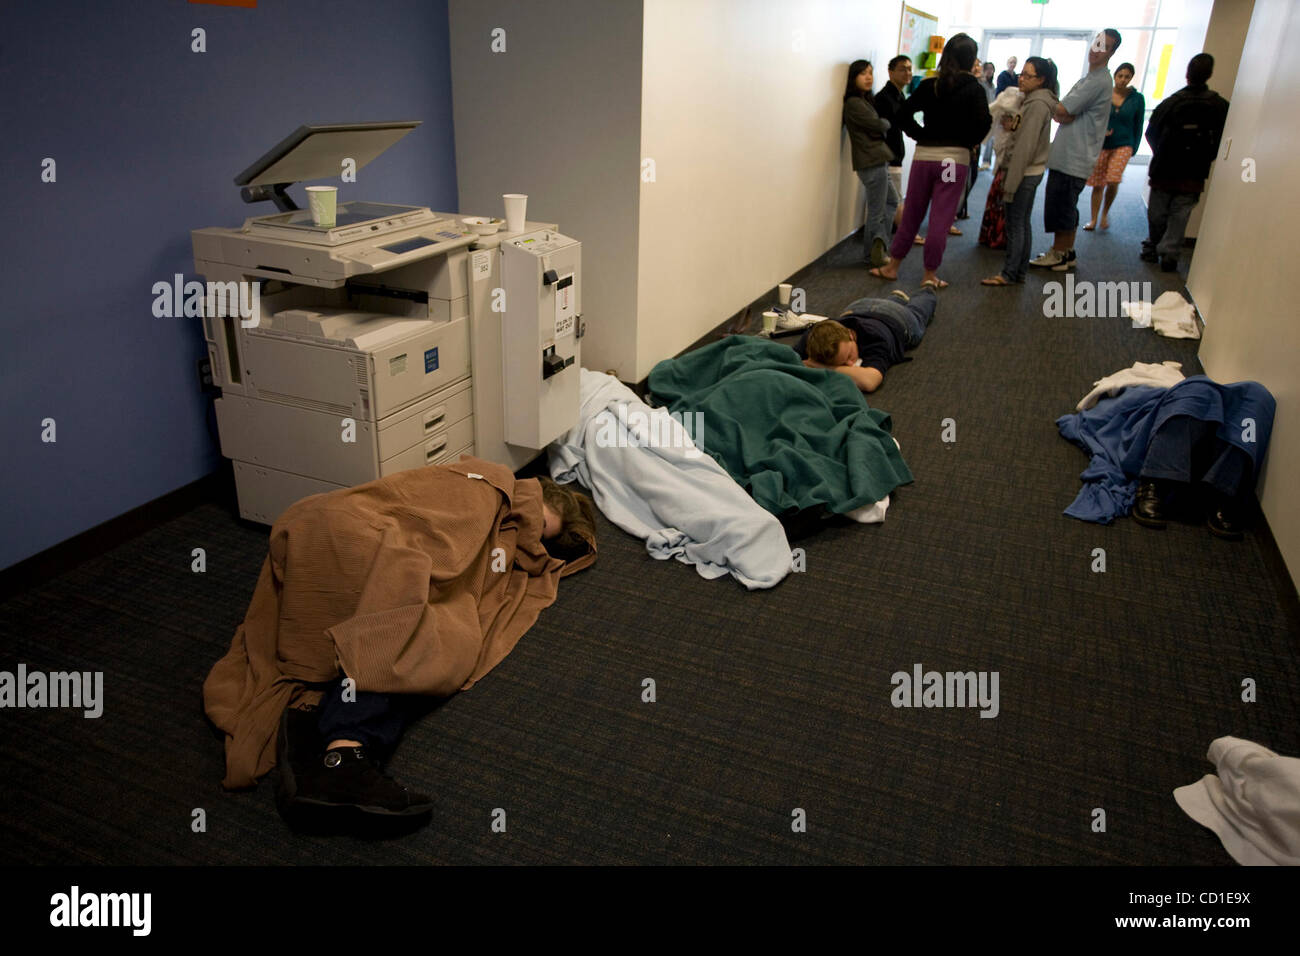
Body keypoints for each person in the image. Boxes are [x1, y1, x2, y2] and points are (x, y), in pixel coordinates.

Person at [870, 34, 991, 289]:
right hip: (951, 161)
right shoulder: (974, 89)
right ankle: (928, 274)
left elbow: (902, 114)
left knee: (912, 211)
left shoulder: (930, 85)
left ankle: (892, 267)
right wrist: (967, 142)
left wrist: (922, 135)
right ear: (971, 59)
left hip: (924, 157)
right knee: (941, 216)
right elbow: (984, 124)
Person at [1030, 28, 1122, 273]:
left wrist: (1060, 109)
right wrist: (1064, 112)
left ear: (1112, 52)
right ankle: (1066, 252)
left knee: (1061, 205)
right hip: (1072, 154)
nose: (1097, 49)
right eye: (1097, 42)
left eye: (1105, 46)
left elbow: (1062, 111)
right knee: (1066, 205)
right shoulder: (1091, 78)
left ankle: (1059, 254)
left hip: (1074, 156)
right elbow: (1065, 114)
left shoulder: (1099, 80)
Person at [1142, 53, 1229, 272]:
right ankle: (1169, 253)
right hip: (1194, 171)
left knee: (1157, 213)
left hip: (1164, 168)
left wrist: (1161, 152)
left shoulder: (1171, 103)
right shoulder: (1220, 105)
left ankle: (1153, 245)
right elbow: (1224, 138)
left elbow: (1151, 133)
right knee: (1180, 214)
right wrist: (1207, 156)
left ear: (1187, 74)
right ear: (1209, 74)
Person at [982, 57, 1060, 285]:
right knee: (1022, 222)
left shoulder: (1037, 105)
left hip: (1024, 173)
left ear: (1041, 79)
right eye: (1021, 74)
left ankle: (1009, 273)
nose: (1021, 78)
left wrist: (1010, 184)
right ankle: (1018, 272)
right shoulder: (1035, 101)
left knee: (1016, 224)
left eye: (1028, 75)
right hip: (1030, 171)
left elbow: (1024, 148)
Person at [794, 288, 936, 392]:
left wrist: (820, 366)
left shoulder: (876, 340)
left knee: (919, 312)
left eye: (849, 356)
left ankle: (927, 291)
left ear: (851, 335)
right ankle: (895, 297)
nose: (850, 364)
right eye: (843, 363)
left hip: (899, 318)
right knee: (885, 304)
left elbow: (869, 382)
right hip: (860, 306)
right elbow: (784, 359)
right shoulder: (815, 335)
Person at [843, 59, 896, 267]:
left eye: (871, 73)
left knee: (890, 201)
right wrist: (885, 123)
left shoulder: (863, 101)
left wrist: (882, 124)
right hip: (871, 161)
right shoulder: (854, 103)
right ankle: (872, 255)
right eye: (863, 73)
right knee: (877, 209)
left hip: (877, 160)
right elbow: (878, 124)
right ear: (853, 77)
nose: (868, 77)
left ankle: (878, 245)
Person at [1083, 62, 1145, 230]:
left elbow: (1138, 124)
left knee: (1113, 179)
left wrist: (1134, 147)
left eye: (1127, 77)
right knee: (1098, 182)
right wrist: (1098, 133)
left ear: (1131, 78)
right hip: (1103, 143)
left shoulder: (1137, 99)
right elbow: (1093, 117)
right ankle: (1094, 218)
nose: (1123, 80)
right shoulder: (1104, 94)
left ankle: (1105, 213)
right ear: (1114, 76)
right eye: (1120, 76)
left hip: (1124, 143)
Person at [875, 55, 913, 231]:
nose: (907, 73)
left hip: (894, 155)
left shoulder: (899, 96)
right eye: (902, 69)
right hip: (888, 157)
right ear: (890, 72)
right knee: (894, 200)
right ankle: (905, 233)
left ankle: (896, 233)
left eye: (909, 69)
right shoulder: (884, 98)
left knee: (892, 200)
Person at [978, 61, 998, 169]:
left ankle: (987, 161)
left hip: (991, 114)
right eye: (988, 69)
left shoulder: (993, 86)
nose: (990, 71)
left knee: (990, 138)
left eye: (992, 69)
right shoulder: (981, 84)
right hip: (981, 114)